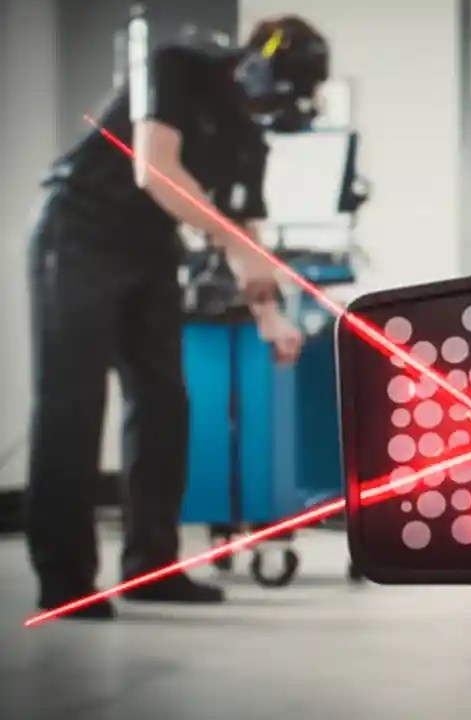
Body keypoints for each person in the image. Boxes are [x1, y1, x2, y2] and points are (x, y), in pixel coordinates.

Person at [25, 15, 329, 619]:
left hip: (151, 249)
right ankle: (66, 581)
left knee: (165, 404)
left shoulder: (250, 139)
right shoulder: (176, 66)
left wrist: (269, 316)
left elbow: (245, 231)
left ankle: (151, 567)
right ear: (256, 63)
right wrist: (230, 242)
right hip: (79, 232)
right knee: (73, 406)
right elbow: (155, 169)